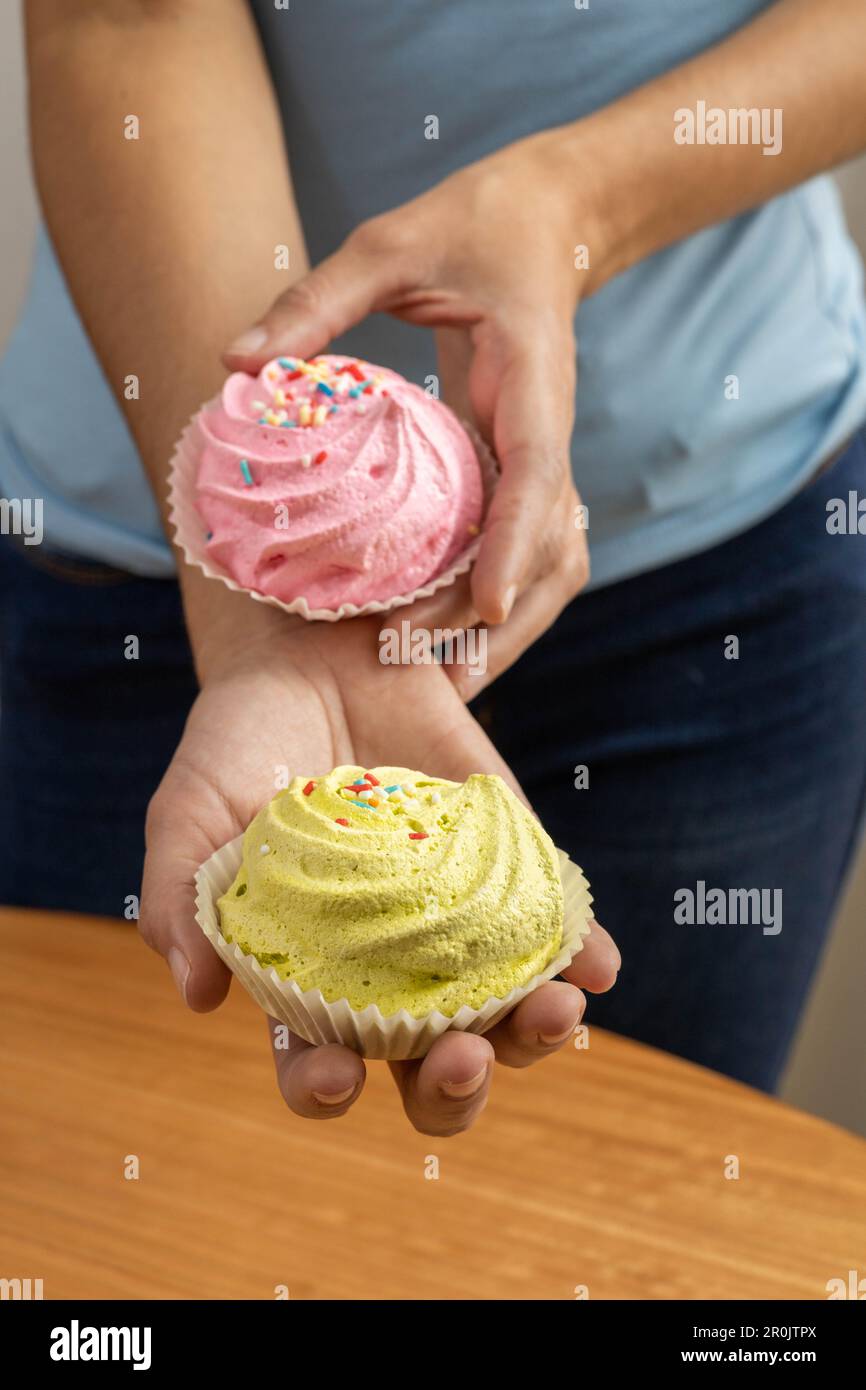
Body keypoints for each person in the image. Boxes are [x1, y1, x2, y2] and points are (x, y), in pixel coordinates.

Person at [2, 0, 865, 1133]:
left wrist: (577, 202)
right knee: (132, 1198)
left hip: (723, 554)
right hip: (145, 575)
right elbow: (125, 17)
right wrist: (259, 619)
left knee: (637, 1201)